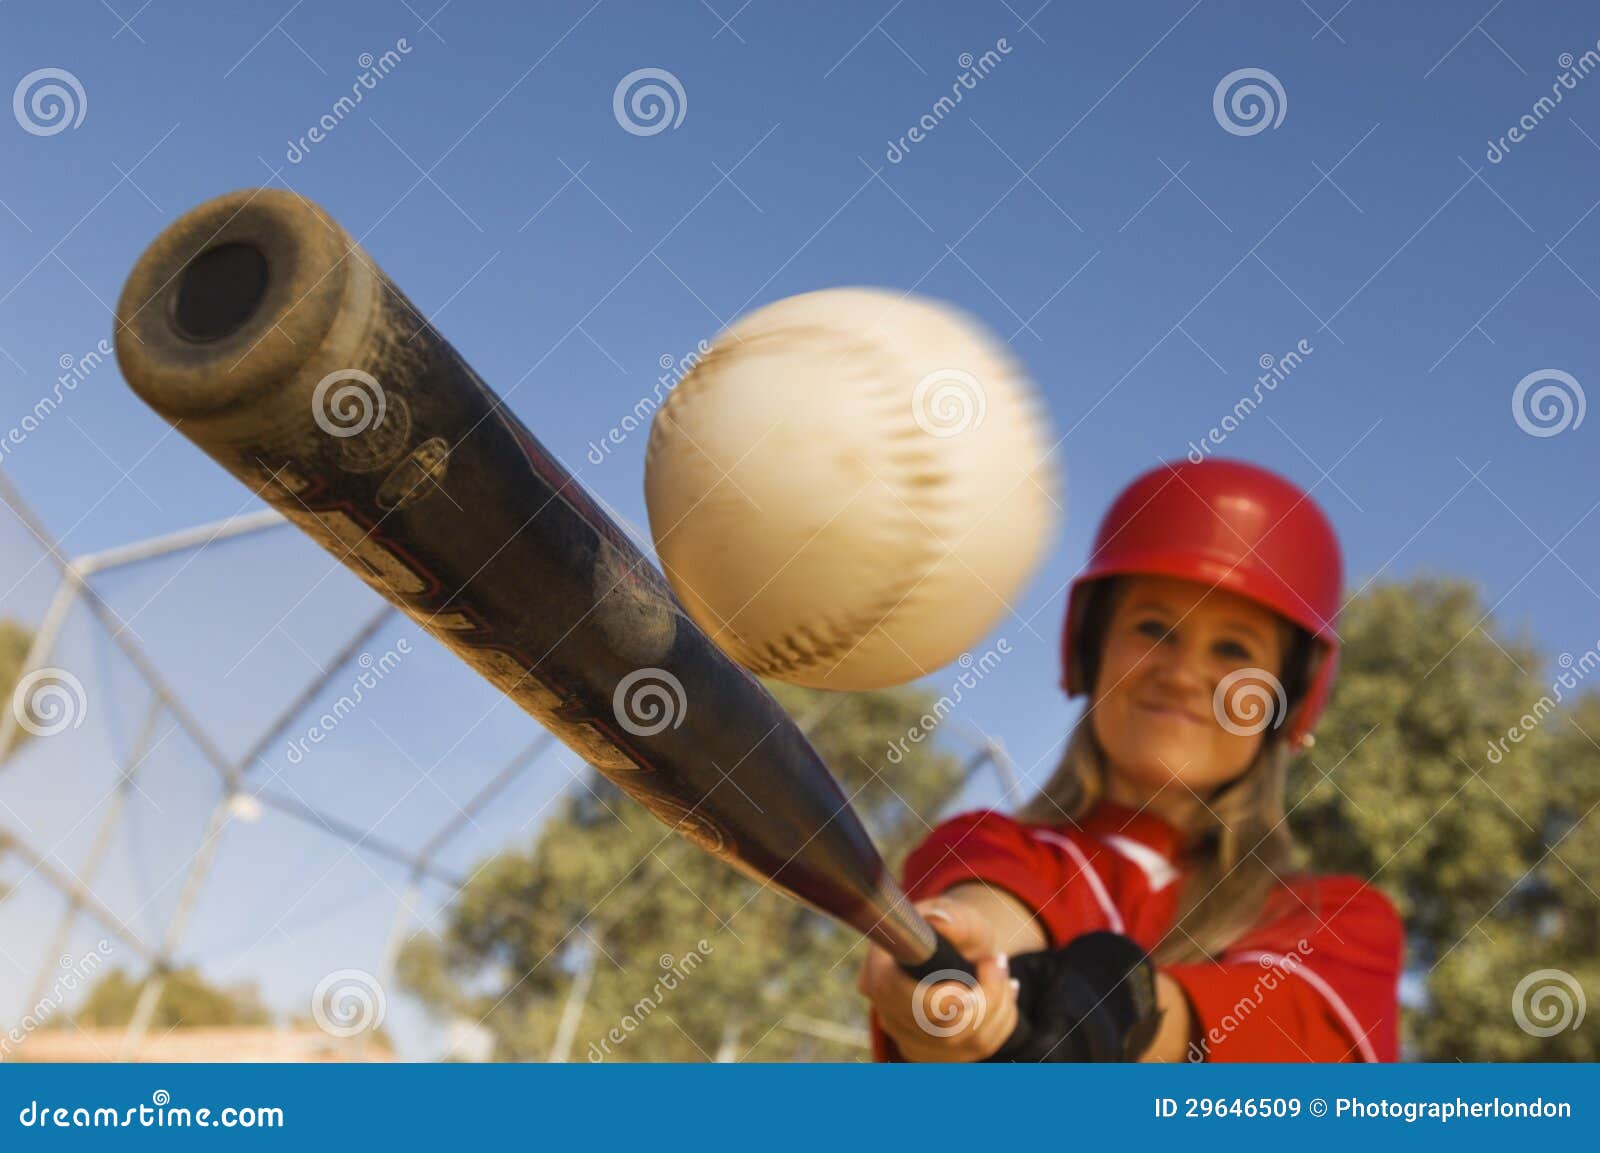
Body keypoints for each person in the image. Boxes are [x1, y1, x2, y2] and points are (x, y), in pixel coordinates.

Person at [858, 459, 1403, 1062]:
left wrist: (1114, 1011)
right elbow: (990, 912)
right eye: (1152, 628)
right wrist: (968, 967)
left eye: (1232, 648)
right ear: (1092, 653)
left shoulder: (1336, 922)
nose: (1182, 673)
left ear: (1286, 703)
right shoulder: (988, 846)